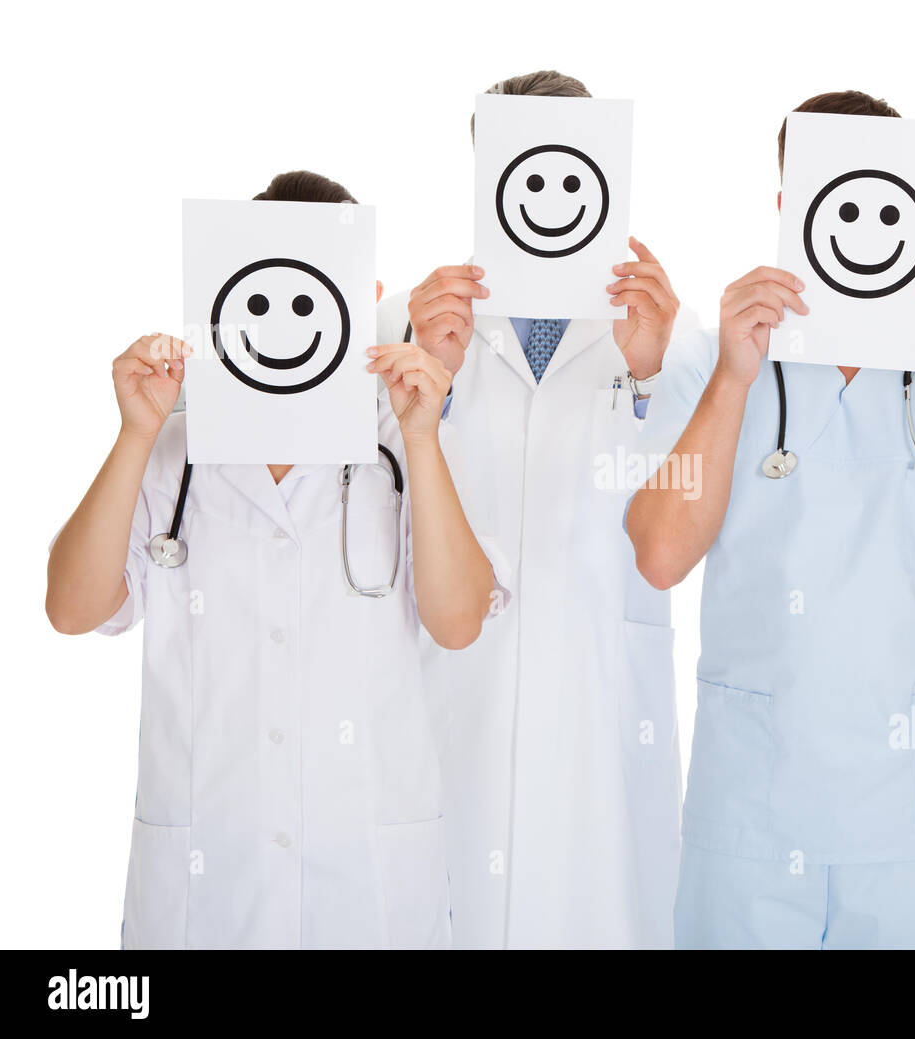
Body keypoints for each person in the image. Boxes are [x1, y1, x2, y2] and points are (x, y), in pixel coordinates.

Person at [626, 91, 915, 950]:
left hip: (909, 821)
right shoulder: (716, 354)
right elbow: (661, 552)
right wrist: (734, 381)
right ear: (791, 207)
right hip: (752, 819)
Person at [45, 171, 507, 949]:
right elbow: (72, 607)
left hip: (367, 883)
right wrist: (133, 433)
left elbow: (459, 622)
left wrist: (423, 438)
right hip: (205, 887)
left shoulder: (405, 442)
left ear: (364, 302)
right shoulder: (170, 450)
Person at [378, 70, 683, 948]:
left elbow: (683, 523)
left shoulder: (661, 333)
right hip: (449, 712)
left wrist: (653, 378)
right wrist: (419, 377)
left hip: (601, 713)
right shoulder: (411, 319)